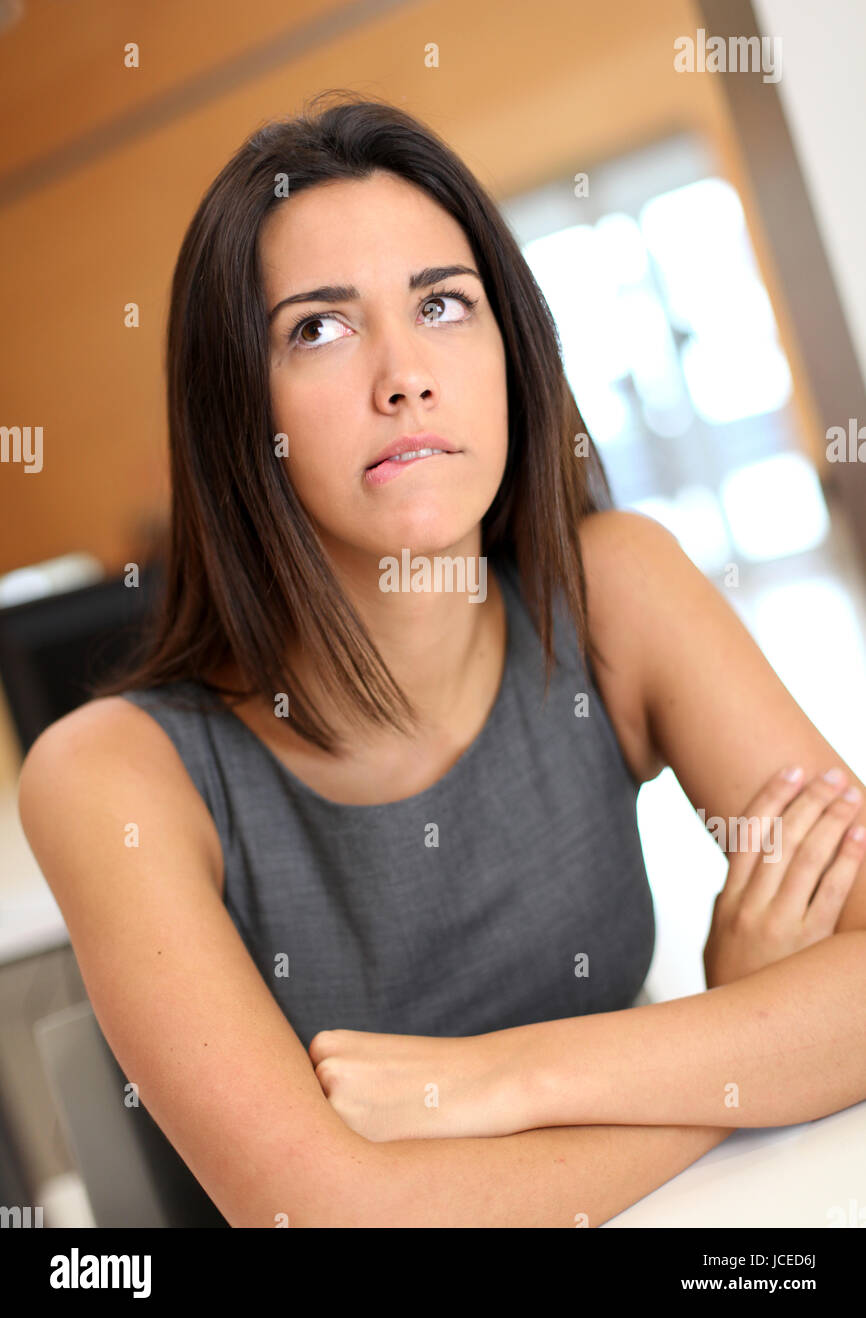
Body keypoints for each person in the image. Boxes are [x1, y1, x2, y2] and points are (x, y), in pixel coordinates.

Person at [18, 91, 866, 1228]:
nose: (402, 374)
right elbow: (331, 1218)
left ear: (510, 351)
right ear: (235, 413)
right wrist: (743, 1043)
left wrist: (508, 1080)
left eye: (443, 304)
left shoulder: (613, 587)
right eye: (317, 327)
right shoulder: (108, 775)